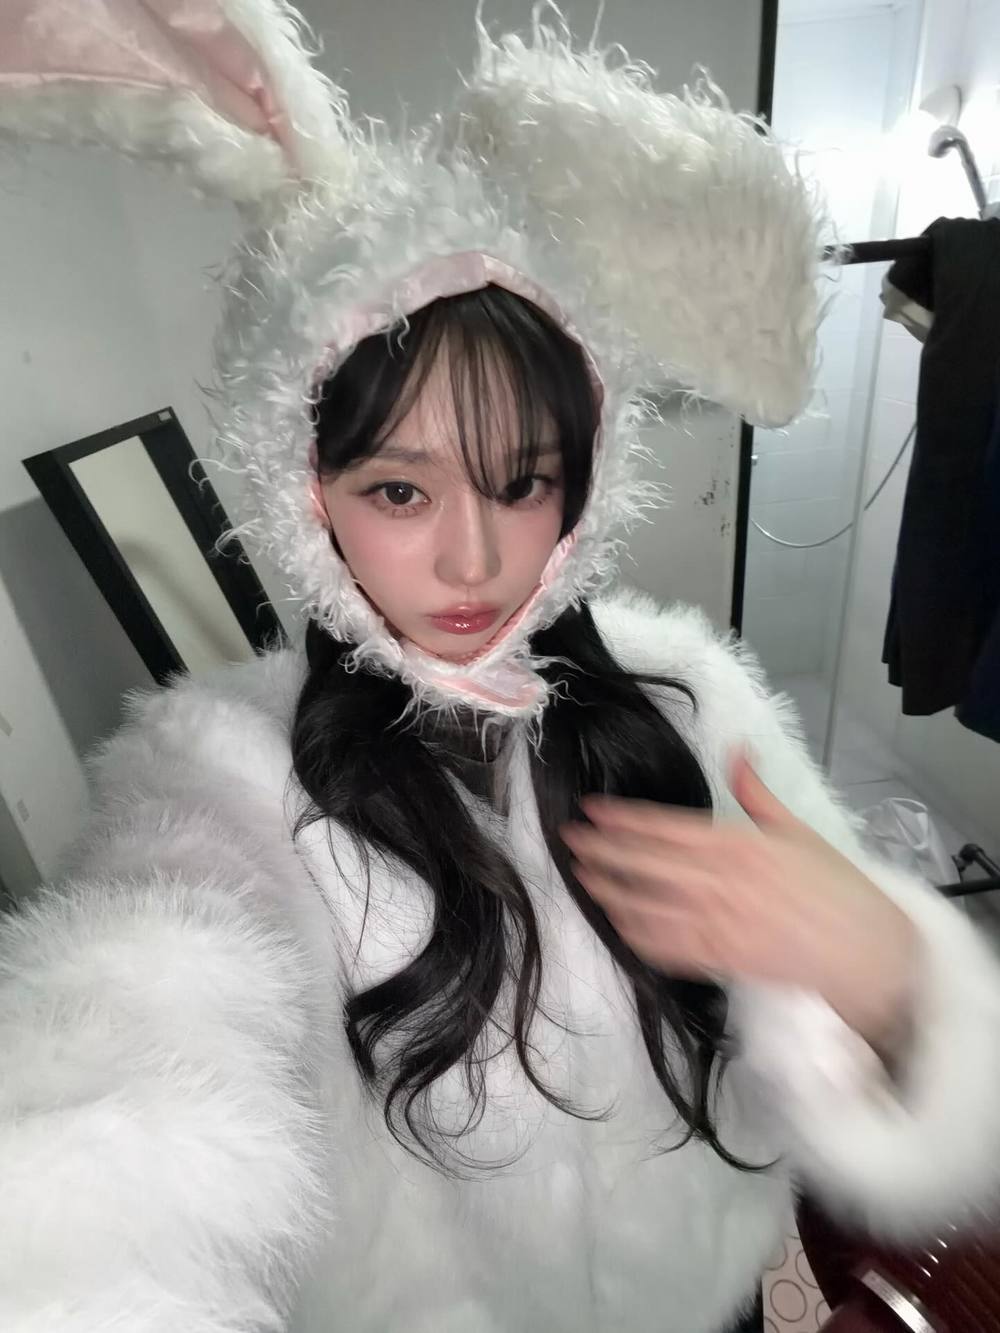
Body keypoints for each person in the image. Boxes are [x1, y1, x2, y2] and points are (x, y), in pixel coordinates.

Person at [2, 5, 1000, 1332]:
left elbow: (875, 1074)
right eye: (400, 490)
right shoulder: (222, 788)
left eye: (521, 481)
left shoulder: (686, 704)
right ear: (304, 491)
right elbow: (109, 1113)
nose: (474, 560)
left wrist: (893, 973)